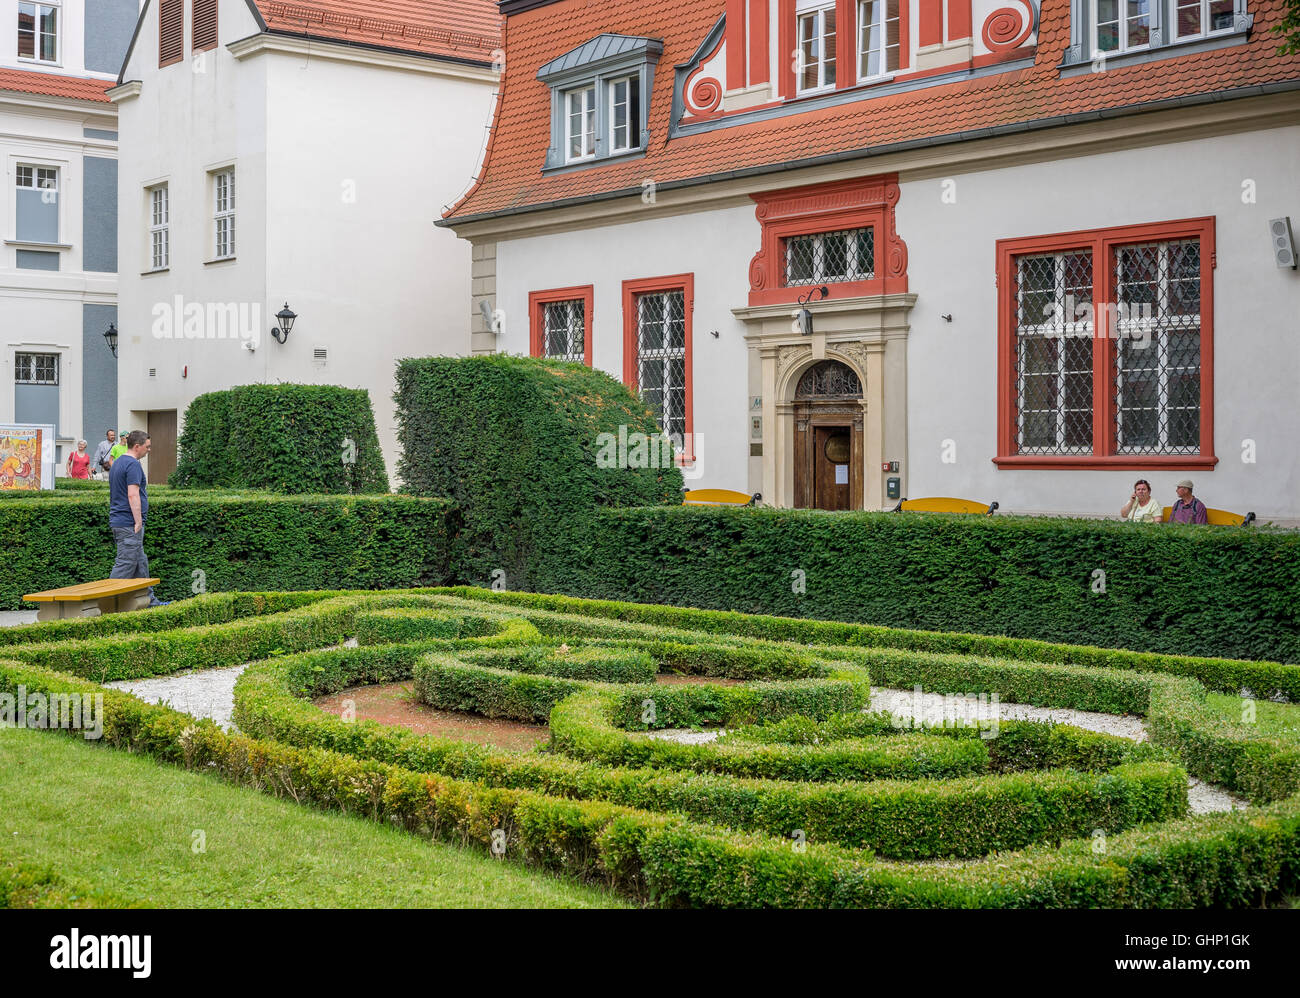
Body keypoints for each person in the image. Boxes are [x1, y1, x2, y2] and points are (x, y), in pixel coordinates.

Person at [108, 430, 163, 606]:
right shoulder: (132, 465)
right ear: (137, 446)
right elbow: (133, 494)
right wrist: (138, 521)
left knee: (140, 563)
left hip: (122, 522)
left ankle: (150, 602)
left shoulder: (118, 462)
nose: (149, 450)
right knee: (125, 565)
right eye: (147, 447)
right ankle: (105, 605)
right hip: (129, 523)